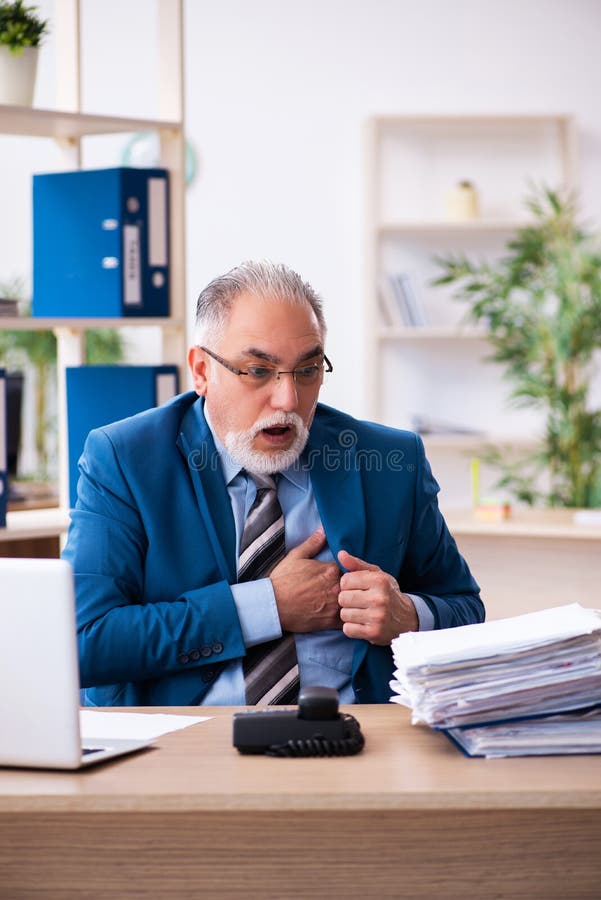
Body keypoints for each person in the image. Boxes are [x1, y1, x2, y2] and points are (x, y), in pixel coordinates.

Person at [63, 260, 483, 707]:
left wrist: (407, 616)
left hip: (353, 738)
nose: (288, 399)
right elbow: (82, 642)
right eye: (258, 371)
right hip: (186, 746)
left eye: (307, 370)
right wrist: (267, 607)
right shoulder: (125, 458)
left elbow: (465, 609)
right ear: (202, 371)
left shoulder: (391, 461)